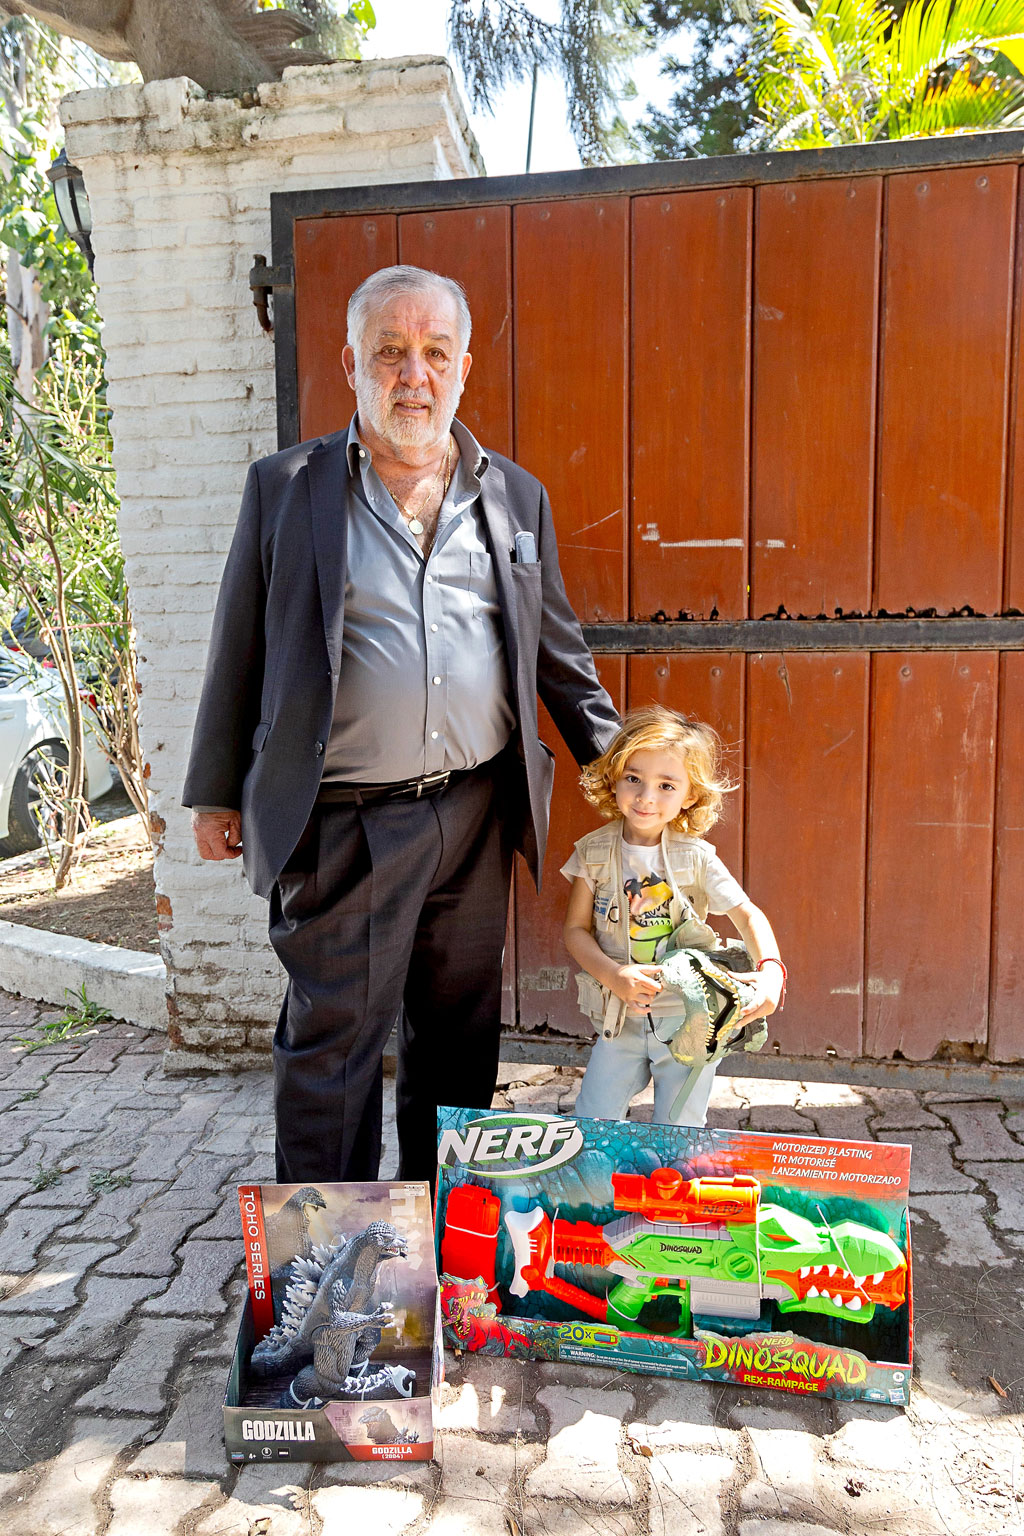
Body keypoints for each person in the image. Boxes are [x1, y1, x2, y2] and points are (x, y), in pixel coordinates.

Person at [182, 264, 619, 1185]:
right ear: (351, 362)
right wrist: (215, 791)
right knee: (332, 1046)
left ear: (464, 367)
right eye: (391, 351)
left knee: (459, 1041)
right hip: (342, 819)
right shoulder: (287, 487)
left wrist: (619, 766)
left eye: (434, 352)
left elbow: (556, 650)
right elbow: (240, 645)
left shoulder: (514, 495)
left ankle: (438, 1247)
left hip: (473, 812)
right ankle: (322, 1268)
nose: (412, 374)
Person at [562, 705, 784, 1126]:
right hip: (620, 1018)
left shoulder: (696, 857)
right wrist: (613, 976)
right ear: (614, 779)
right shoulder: (592, 853)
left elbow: (748, 914)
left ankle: (672, 1187)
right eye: (634, 779)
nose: (647, 797)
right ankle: (596, 1189)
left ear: (691, 795)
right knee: (592, 1122)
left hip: (689, 1019)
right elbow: (575, 930)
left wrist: (772, 972)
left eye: (666, 785)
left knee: (679, 1129)